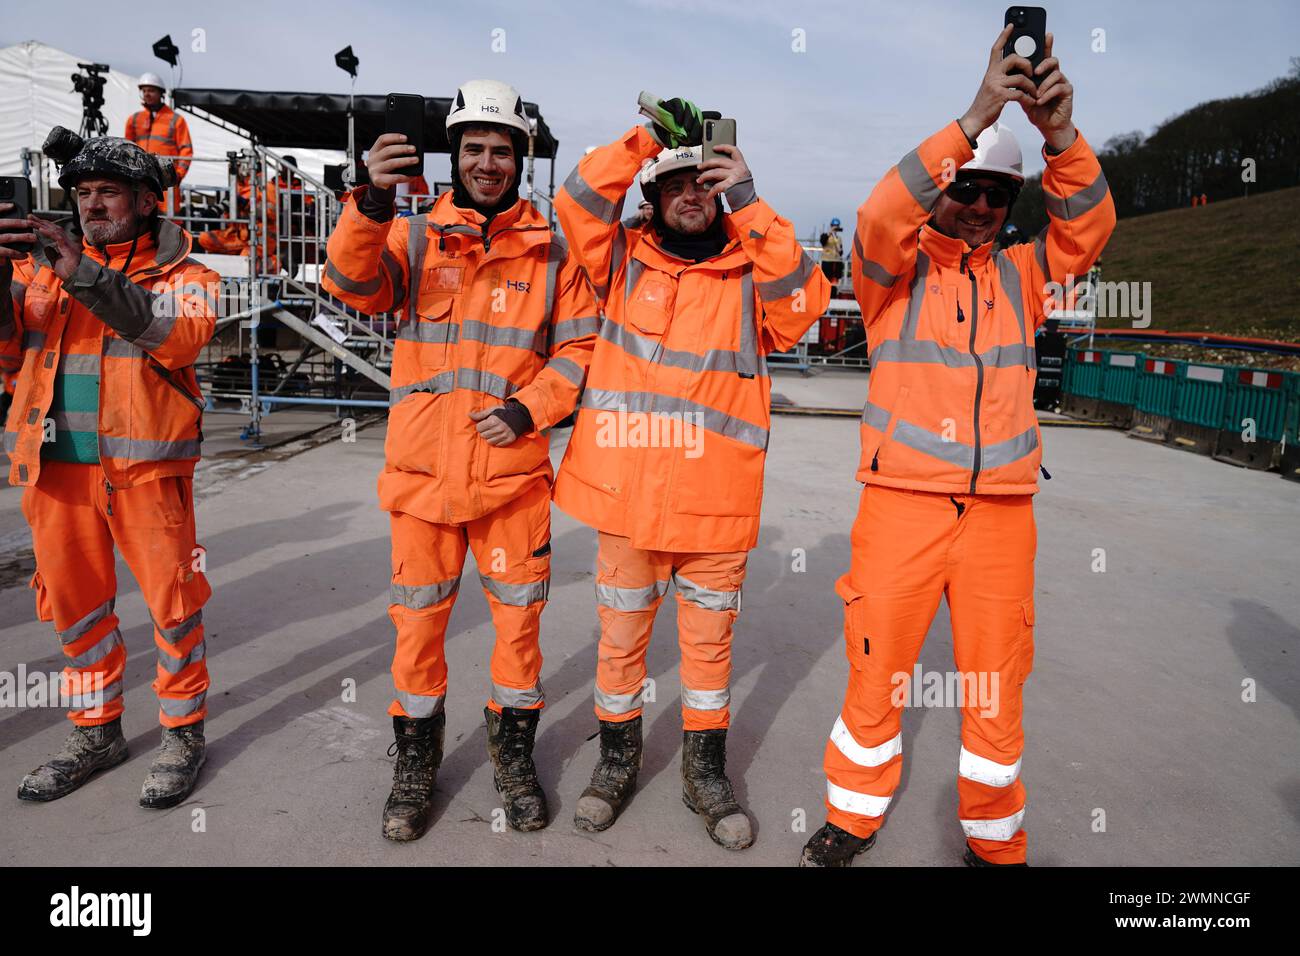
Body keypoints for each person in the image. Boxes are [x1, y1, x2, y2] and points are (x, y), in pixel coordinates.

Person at [800, 26, 1115, 867]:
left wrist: (1059, 137)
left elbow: (1089, 226)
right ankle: (854, 817)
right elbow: (878, 215)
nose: (979, 206)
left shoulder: (1025, 276)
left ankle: (993, 838)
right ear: (945, 187)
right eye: (967, 188)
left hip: (1002, 516)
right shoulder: (890, 276)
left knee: (994, 685)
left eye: (996, 196)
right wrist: (977, 114)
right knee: (877, 674)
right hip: (902, 506)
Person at [322, 80, 598, 842]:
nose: (486, 162)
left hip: (510, 482)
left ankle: (512, 758)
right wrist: (370, 206)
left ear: (521, 158)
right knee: (416, 631)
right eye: (473, 147)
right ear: (454, 153)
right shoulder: (411, 236)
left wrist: (528, 408)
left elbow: (581, 349)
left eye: (501, 150)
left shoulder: (551, 249)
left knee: (519, 634)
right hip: (420, 482)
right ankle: (416, 764)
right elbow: (351, 288)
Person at [554, 94, 829, 849]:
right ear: (653, 194)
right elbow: (574, 202)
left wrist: (748, 195)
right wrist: (646, 137)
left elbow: (809, 301)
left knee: (709, 654)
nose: (688, 197)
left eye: (702, 185)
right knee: (620, 644)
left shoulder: (753, 278)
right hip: (628, 503)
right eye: (674, 184)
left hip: (714, 508)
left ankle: (704, 773)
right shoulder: (617, 262)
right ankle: (616, 763)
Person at [0, 129, 218, 808]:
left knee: (173, 609)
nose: (93, 205)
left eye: (109, 192)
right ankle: (96, 732)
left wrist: (84, 275)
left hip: (146, 477)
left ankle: (182, 733)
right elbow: (9, 358)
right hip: (58, 473)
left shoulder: (191, 278)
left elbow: (176, 338)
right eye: (83, 193)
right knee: (77, 612)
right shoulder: (35, 270)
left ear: (148, 201)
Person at [124, 74, 193, 218]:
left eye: (151, 90)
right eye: (144, 90)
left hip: (167, 178)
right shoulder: (134, 119)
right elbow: (127, 148)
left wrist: (178, 175)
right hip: (141, 177)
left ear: (161, 93)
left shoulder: (176, 120)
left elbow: (186, 149)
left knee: (169, 218)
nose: (147, 94)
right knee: (140, 216)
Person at [820, 217, 844, 282]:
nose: (835, 228)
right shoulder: (825, 236)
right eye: (834, 226)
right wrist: (830, 232)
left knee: (835, 282)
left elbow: (841, 252)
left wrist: (839, 249)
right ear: (831, 226)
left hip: (836, 262)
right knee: (826, 281)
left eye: (837, 226)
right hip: (826, 261)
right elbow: (822, 241)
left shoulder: (839, 238)